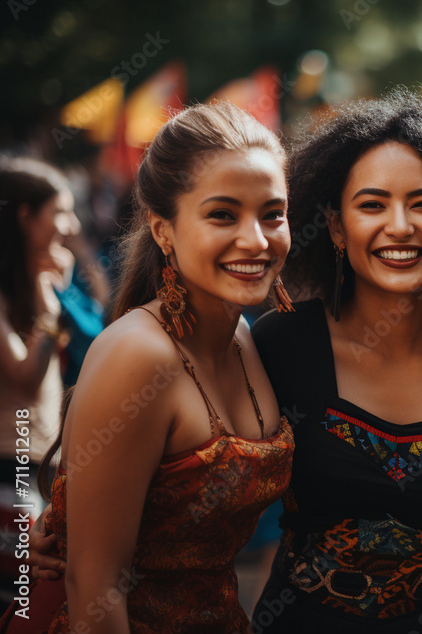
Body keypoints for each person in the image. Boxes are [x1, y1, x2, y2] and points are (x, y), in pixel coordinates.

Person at [5, 102, 295, 632]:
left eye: (272, 214)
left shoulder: (247, 338)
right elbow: (95, 588)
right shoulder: (138, 356)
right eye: (223, 215)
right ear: (163, 231)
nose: (256, 240)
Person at [249, 92, 422, 633]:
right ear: (335, 227)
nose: (399, 226)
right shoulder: (282, 342)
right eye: (372, 205)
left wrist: (410, 560)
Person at [0, 158, 77, 607]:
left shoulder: (37, 282)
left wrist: (61, 291)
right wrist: (50, 310)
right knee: (19, 602)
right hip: (10, 469)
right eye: (61, 212)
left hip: (45, 465)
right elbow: (26, 379)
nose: (72, 224)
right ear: (26, 217)